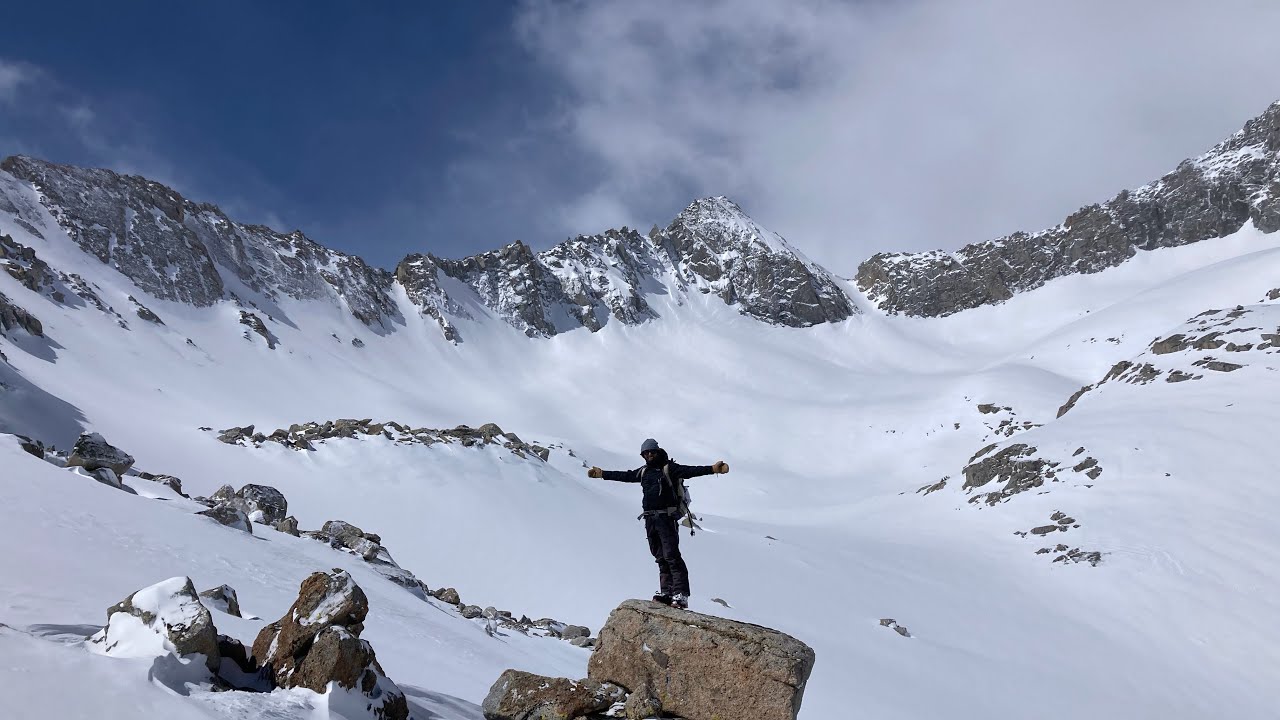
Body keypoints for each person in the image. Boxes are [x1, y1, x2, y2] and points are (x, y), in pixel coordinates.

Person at [588, 438, 729, 609]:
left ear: (657, 451)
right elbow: (625, 475)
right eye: (645, 453)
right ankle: (666, 593)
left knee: (672, 556)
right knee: (660, 557)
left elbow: (691, 471)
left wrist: (713, 469)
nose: (648, 455)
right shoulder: (644, 471)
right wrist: (602, 474)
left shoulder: (669, 468)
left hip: (665, 518)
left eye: (651, 452)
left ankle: (681, 594)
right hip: (650, 519)